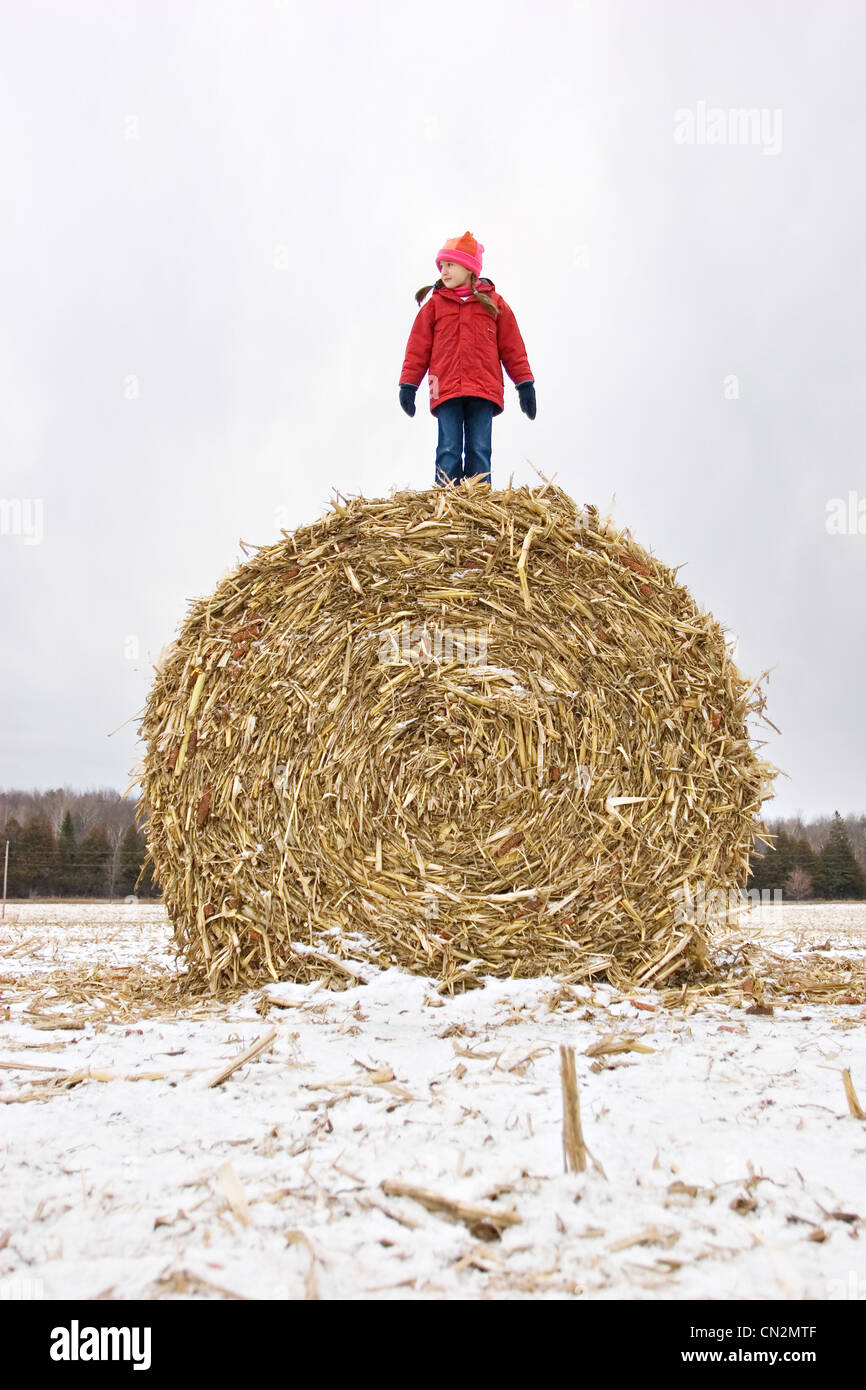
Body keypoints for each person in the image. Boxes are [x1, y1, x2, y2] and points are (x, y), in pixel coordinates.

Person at [398, 230, 536, 487]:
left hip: (484, 388)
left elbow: (513, 347)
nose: (444, 271)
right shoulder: (434, 306)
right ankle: (446, 501)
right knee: (448, 449)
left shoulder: (494, 304)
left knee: (479, 450)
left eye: (450, 264)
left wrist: (524, 383)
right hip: (446, 387)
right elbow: (417, 348)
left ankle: (479, 502)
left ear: (469, 268)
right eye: (442, 266)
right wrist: (409, 385)